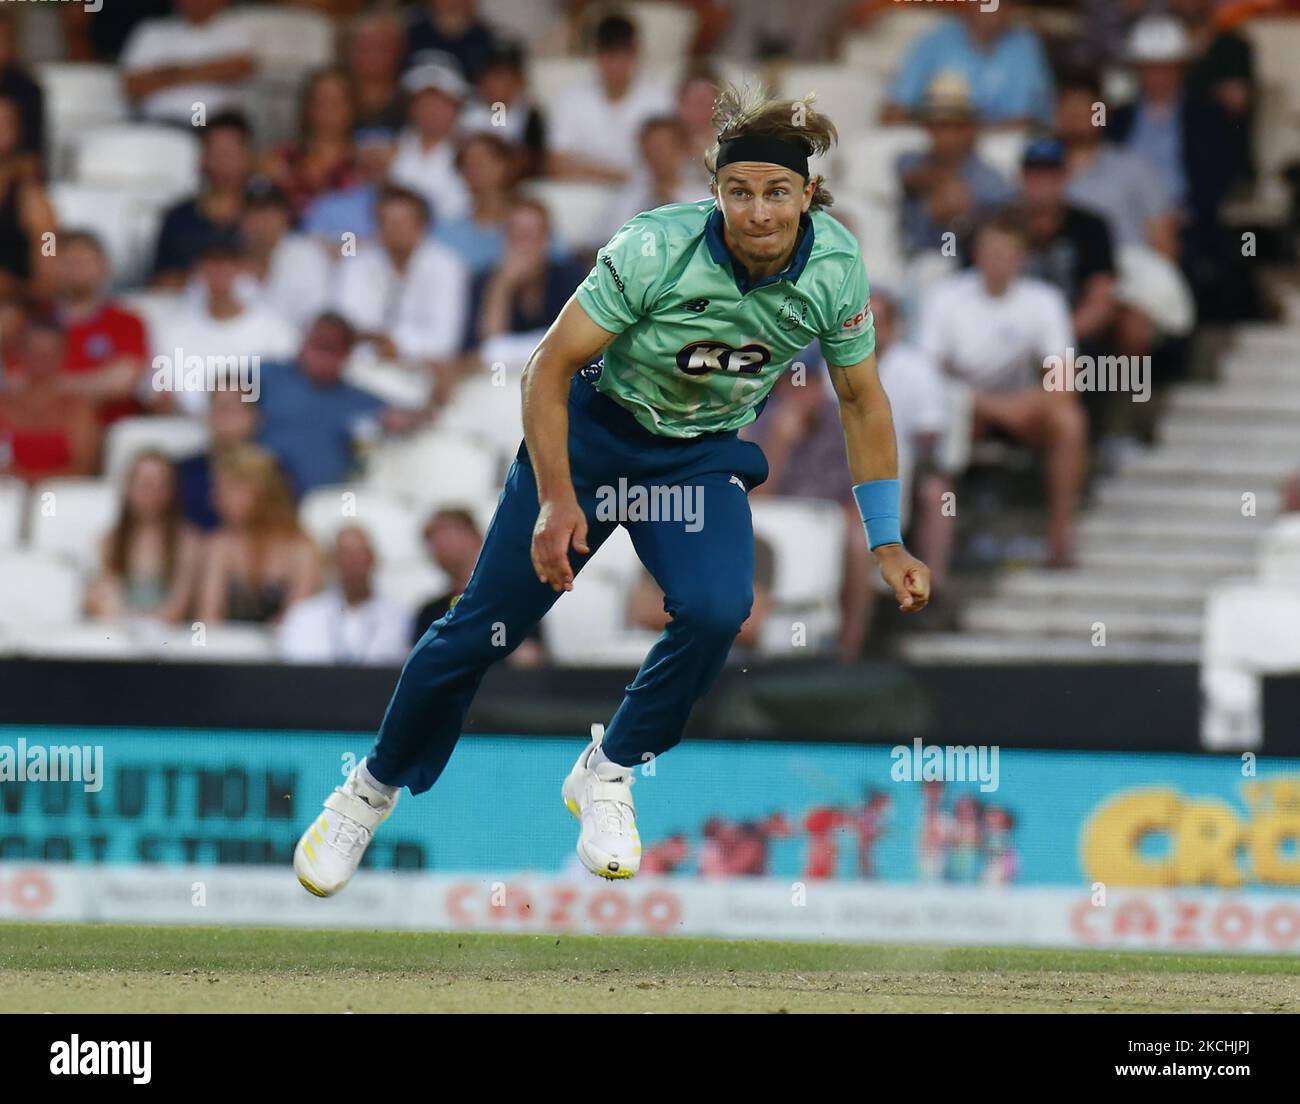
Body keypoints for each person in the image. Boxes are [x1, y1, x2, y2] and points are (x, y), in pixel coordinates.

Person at [293, 83, 930, 897]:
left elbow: (862, 400)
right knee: (480, 630)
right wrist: (559, 498)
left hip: (697, 457)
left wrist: (884, 537)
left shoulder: (837, 266)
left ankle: (610, 768)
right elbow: (547, 367)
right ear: (716, 193)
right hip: (591, 439)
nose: (759, 212)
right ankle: (368, 792)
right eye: (740, 192)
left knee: (716, 610)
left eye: (778, 192)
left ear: (808, 195)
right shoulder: (655, 247)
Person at [917, 214, 1084, 573]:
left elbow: (1065, 384)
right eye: (991, 252)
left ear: (1022, 258)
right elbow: (925, 374)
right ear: (977, 254)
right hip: (964, 406)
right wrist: (988, 404)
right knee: (946, 418)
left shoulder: (1044, 301)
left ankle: (1060, 536)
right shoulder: (946, 296)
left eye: (1008, 253)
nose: (998, 261)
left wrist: (1008, 404)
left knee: (1068, 422)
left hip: (1020, 407)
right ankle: (938, 553)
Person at [256, 313, 417, 496]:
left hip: (322, 505)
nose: (322, 356)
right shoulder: (268, 377)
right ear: (303, 342)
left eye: (332, 349)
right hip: (260, 495)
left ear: (347, 355)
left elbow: (412, 417)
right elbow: (226, 400)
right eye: (317, 344)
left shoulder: (359, 400)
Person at [330, 185, 468, 365]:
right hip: (361, 367)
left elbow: (445, 340)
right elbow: (344, 325)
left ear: (423, 226)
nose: (393, 230)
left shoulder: (447, 266)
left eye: (402, 223)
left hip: (422, 370)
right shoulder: (356, 264)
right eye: (386, 222)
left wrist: (396, 344)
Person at [196, 443, 320, 624]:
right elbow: (207, 619)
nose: (215, 498)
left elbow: (298, 624)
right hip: (227, 649)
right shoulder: (219, 546)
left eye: (228, 489)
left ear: (260, 492)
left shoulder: (300, 550)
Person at [896, 74, 1016, 258]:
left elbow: (1003, 229)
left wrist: (958, 220)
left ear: (971, 129)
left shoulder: (991, 180)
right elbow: (908, 177)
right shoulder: (910, 161)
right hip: (910, 263)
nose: (946, 135)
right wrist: (944, 180)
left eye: (956, 126)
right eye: (939, 125)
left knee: (942, 263)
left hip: (966, 266)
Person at [410, 506, 547, 665]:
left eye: (448, 535)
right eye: (433, 541)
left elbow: (528, 658)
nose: (440, 546)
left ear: (476, 537)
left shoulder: (515, 601)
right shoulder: (430, 612)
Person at [883, 2, 1055, 128]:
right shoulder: (934, 41)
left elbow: (1029, 119)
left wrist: (970, 133)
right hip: (936, 143)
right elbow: (894, 110)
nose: (993, 8)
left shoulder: (1026, 46)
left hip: (1001, 148)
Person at [545, 14, 673, 183]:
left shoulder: (660, 100)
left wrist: (587, 169)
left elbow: (667, 163)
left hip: (642, 193)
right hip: (585, 191)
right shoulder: (570, 99)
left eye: (622, 54)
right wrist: (619, 176)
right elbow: (556, 165)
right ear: (596, 55)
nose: (615, 64)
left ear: (636, 53)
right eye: (609, 55)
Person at [86, 450, 202, 622]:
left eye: (161, 486)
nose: (153, 494)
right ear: (128, 487)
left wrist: (126, 619)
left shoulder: (188, 541)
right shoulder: (109, 540)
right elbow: (99, 603)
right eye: (146, 485)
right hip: (119, 636)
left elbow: (177, 611)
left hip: (168, 640)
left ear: (172, 491)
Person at [50, 231, 151, 425]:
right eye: (70, 262)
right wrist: (95, 383)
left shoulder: (127, 321)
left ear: (105, 268)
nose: (77, 270)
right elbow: (18, 381)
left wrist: (54, 387)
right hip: (47, 429)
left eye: (85, 262)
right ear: (55, 267)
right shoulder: (32, 321)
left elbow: (122, 382)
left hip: (111, 427)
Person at [462, 198, 589, 353]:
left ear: (547, 241)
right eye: (517, 235)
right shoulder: (483, 280)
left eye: (532, 235)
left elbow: (575, 338)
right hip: (500, 374)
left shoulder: (570, 276)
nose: (524, 245)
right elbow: (489, 346)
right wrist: (502, 286)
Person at [278, 526, 412, 665]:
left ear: (373, 560)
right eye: (346, 554)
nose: (354, 561)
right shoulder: (305, 615)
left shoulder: (399, 616)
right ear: (332, 562)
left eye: (362, 554)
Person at [150, 112, 253, 288]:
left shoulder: (268, 214)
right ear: (202, 158)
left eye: (229, 154)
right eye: (215, 153)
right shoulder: (178, 219)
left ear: (247, 156)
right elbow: (161, 281)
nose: (222, 162)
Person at [120, 0, 254, 127]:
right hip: (159, 123)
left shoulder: (237, 29)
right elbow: (132, 86)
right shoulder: (151, 31)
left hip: (217, 127)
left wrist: (165, 74)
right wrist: (212, 70)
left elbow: (241, 68)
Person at [0, 320, 100, 482]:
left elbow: (85, 468)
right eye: (35, 352)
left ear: (63, 354)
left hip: (62, 498)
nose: (42, 359)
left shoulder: (78, 408)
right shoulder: (4, 404)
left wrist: (28, 481)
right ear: (21, 353)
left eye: (49, 353)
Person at [260, 68, 358, 220]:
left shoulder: (364, 162)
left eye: (335, 102)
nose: (327, 110)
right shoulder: (282, 156)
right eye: (320, 101)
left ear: (351, 107)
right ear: (307, 107)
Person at [599, 116, 709, 242]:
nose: (657, 156)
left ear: (683, 150)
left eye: (664, 148)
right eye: (651, 149)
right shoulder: (626, 199)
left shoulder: (705, 201)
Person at [389, 57, 471, 223]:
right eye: (424, 103)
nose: (432, 111)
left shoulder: (470, 151)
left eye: (441, 104)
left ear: (456, 108)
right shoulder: (390, 149)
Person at [177, 387, 257, 531]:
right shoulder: (183, 471)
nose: (226, 420)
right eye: (221, 409)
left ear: (253, 417)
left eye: (233, 410)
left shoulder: (273, 471)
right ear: (207, 417)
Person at [0, 94, 55, 300]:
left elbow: (49, 247)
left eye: (5, 122)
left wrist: (15, 288)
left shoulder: (34, 200)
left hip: (16, 304)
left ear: (16, 132)